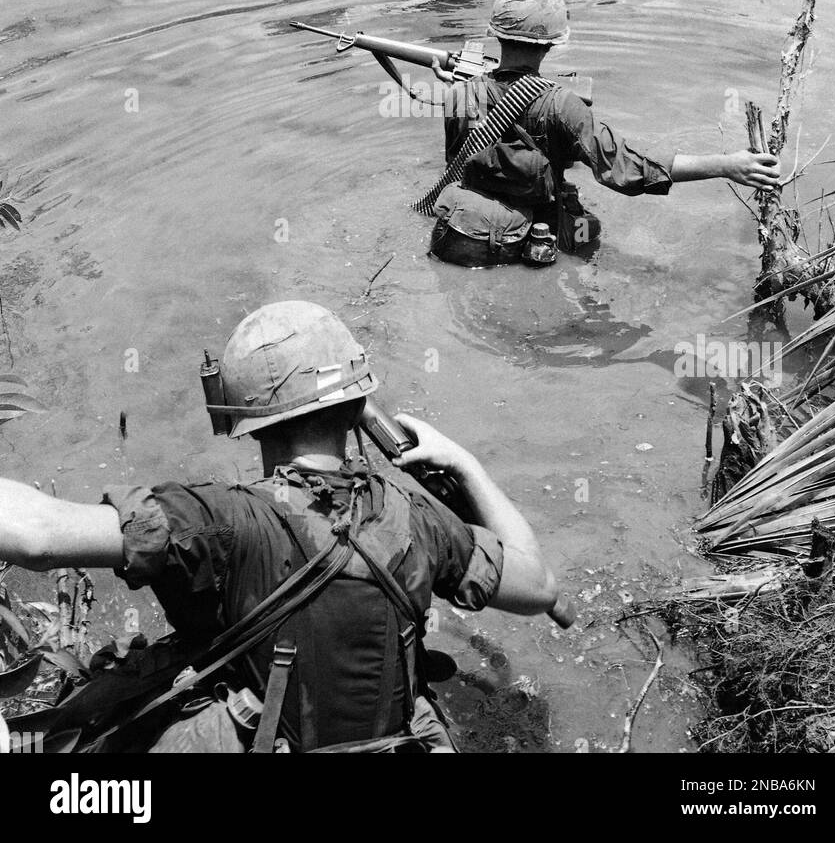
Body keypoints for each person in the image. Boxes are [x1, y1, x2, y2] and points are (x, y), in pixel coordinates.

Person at [0, 301, 561, 753]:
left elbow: (37, 537)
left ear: (240, 420)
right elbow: (539, 587)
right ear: (358, 404)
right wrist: (466, 464)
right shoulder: (420, 519)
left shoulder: (216, 520)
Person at [428, 0, 780, 267]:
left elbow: (460, 160)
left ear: (496, 34)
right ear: (552, 44)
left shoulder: (460, 93)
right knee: (589, 230)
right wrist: (726, 165)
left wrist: (465, 90)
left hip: (461, 230)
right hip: (530, 242)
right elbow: (626, 168)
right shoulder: (562, 106)